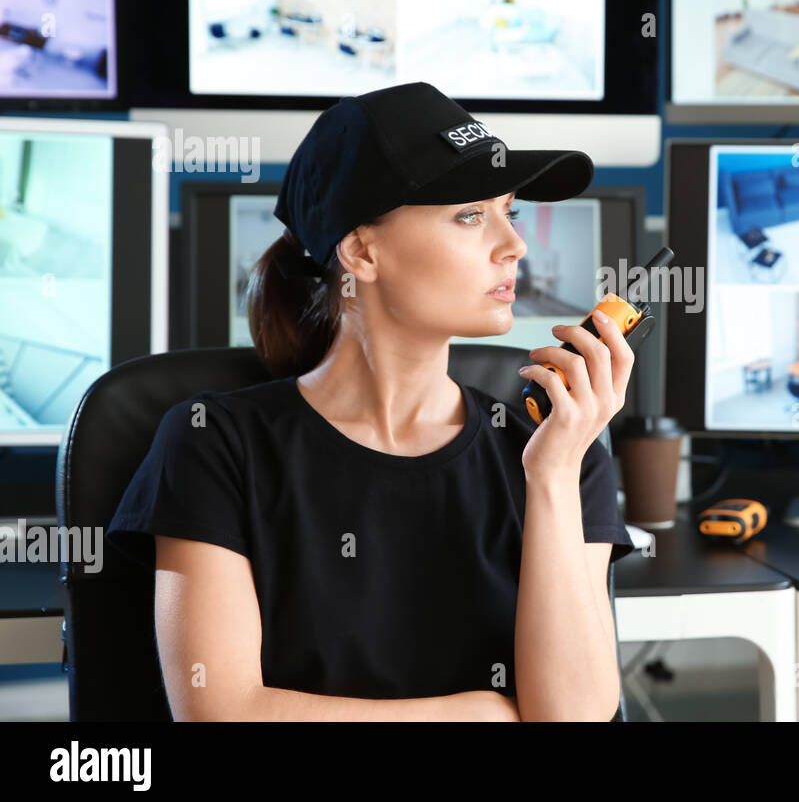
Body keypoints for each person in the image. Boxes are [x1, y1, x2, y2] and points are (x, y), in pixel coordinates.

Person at [106, 81, 637, 721]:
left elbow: (573, 716)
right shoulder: (213, 442)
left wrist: (551, 475)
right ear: (361, 251)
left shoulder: (559, 449)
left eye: (510, 212)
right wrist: (489, 714)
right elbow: (222, 714)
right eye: (471, 215)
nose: (514, 245)